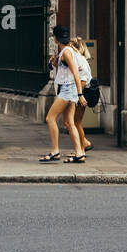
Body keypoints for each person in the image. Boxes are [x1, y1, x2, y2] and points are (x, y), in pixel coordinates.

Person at [42, 25, 87, 163]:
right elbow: (66, 71)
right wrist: (55, 63)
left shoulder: (66, 52)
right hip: (70, 89)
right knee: (69, 122)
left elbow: (75, 73)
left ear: (55, 39)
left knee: (50, 118)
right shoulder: (66, 51)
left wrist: (80, 94)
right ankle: (79, 153)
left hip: (68, 89)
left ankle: (55, 151)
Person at [69, 37, 95, 152]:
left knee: (76, 121)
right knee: (75, 121)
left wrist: (78, 96)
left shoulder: (80, 61)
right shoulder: (80, 60)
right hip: (82, 93)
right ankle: (83, 144)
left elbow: (83, 82)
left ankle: (83, 145)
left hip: (84, 93)